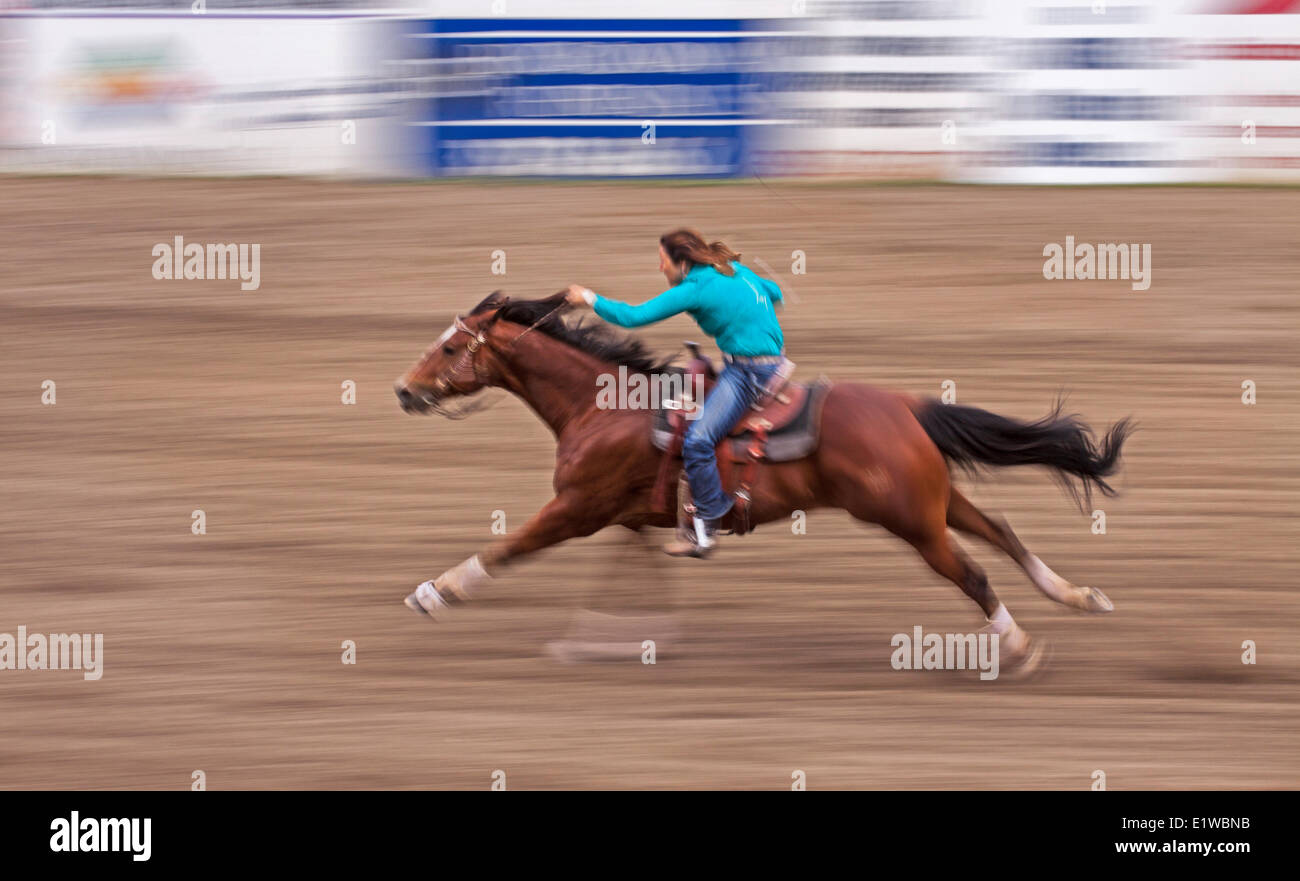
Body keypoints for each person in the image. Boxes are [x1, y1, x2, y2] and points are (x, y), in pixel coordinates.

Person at [565, 228, 786, 557]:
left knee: (698, 440)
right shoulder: (733, 269)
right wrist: (748, 322)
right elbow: (775, 292)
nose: (660, 268)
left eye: (662, 261)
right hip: (762, 362)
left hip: (748, 373)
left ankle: (706, 528)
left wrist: (590, 299)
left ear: (681, 263)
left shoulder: (693, 289)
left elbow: (633, 317)